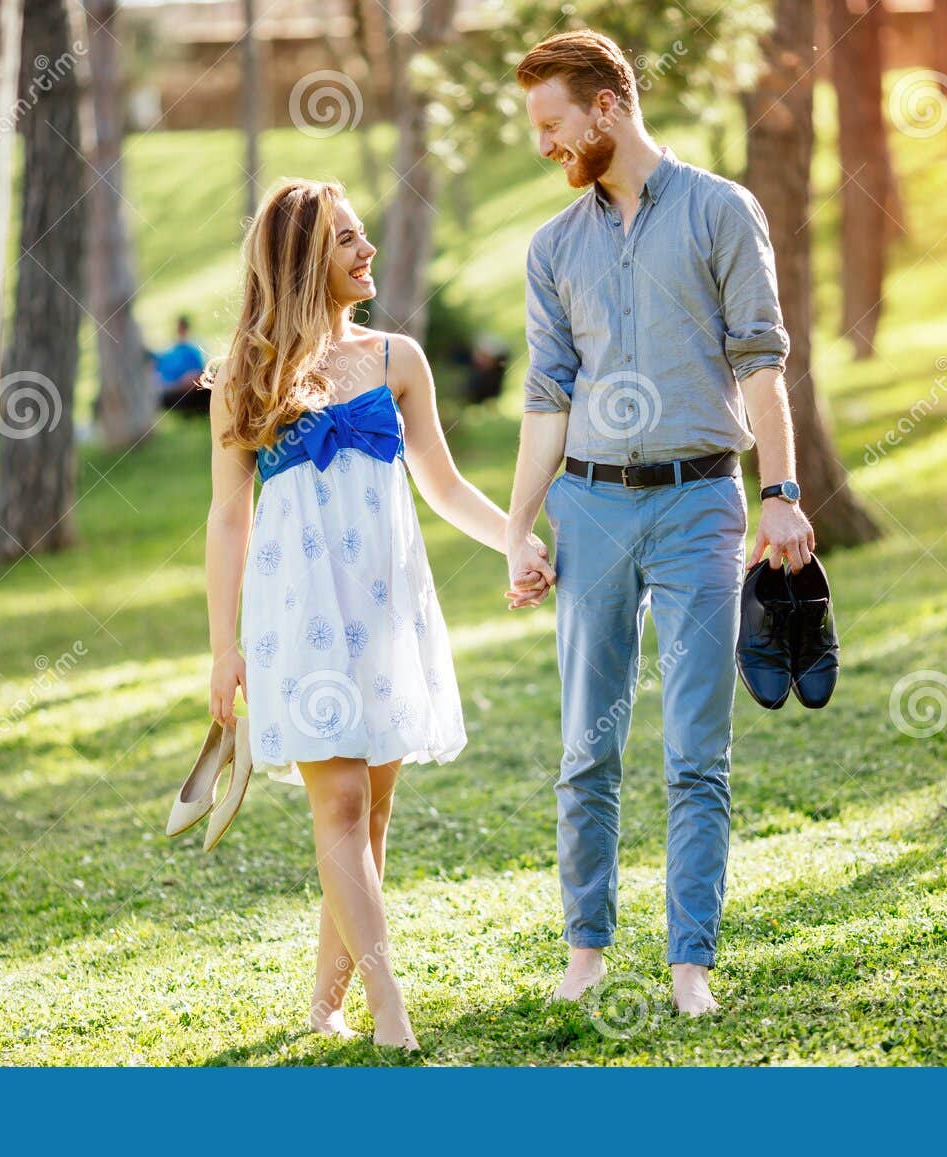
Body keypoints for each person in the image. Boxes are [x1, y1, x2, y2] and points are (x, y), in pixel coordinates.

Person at [502, 31, 816, 1016]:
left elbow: (761, 362)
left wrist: (782, 492)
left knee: (695, 749)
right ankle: (586, 950)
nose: (545, 145)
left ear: (606, 108)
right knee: (585, 750)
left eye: (553, 124)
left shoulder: (722, 211)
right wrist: (520, 528)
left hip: (699, 506)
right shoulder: (553, 247)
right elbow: (546, 396)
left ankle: (690, 965)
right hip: (588, 506)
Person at [205, 178, 553, 1049]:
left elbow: (440, 483)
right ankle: (389, 1007)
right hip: (297, 610)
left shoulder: (398, 358)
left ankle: (327, 999)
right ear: (301, 261)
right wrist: (223, 647)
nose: (367, 253)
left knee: (375, 809)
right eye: (348, 241)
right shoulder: (247, 374)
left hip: (388, 603)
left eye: (364, 237)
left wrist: (515, 540)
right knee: (343, 807)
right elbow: (226, 517)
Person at [151, 315, 209, 412]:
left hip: (185, 391)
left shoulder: (193, 349)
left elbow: (197, 374)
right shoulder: (169, 350)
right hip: (167, 389)